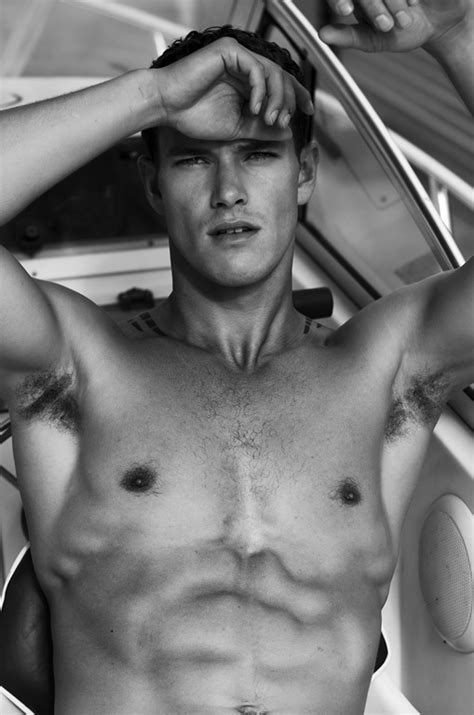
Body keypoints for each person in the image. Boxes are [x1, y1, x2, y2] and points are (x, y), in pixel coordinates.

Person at [0, 0, 473, 712]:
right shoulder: (72, 365)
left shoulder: (386, 370)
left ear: (304, 172)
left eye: (258, 153)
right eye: (194, 159)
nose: (228, 193)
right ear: (154, 184)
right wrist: (153, 95)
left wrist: (459, 37)